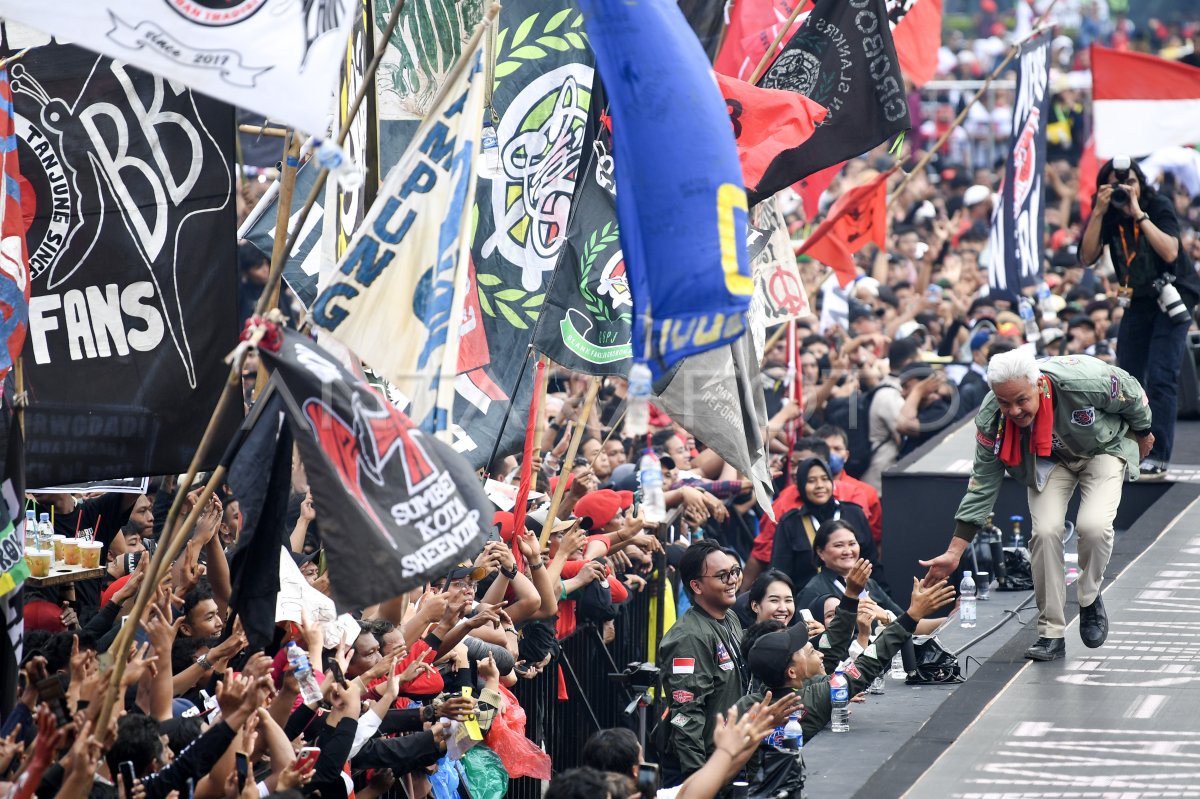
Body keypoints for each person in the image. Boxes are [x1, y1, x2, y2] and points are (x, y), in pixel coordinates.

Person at [920, 348, 1153, 662]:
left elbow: (1131, 392)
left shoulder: (1083, 380)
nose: (1014, 410)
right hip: (1046, 462)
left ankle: (1088, 597)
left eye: (1020, 399)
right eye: (1005, 402)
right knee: (1044, 532)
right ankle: (1051, 633)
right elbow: (983, 483)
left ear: (1039, 384)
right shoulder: (992, 418)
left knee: (1093, 526)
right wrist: (954, 551)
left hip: (1101, 448)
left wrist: (1144, 432)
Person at [737, 560, 955, 794]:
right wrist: (911, 616)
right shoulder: (808, 699)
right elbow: (868, 663)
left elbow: (831, 647)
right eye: (804, 649)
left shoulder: (745, 706)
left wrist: (850, 595)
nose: (814, 649)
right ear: (791, 672)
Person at [1080, 156, 1198, 478]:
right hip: (1137, 298)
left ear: (1140, 183)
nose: (1124, 190)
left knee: (1161, 376)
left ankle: (1157, 455)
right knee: (1126, 378)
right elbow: (1087, 256)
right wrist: (1100, 210)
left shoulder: (1156, 204)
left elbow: (1171, 252)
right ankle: (1129, 449)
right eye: (1116, 185)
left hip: (1172, 295)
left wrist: (1139, 213)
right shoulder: (1105, 212)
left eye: (1130, 182)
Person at [655, 540, 745, 786]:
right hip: (701, 765)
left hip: (725, 758)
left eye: (734, 571)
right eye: (722, 575)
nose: (732, 580)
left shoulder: (730, 617)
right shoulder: (689, 637)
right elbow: (686, 713)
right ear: (696, 585)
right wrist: (699, 779)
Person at [765, 459, 877, 590]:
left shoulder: (854, 513)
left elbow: (872, 562)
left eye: (825, 479)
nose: (820, 485)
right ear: (801, 485)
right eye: (811, 481)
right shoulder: (790, 522)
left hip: (859, 597)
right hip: (810, 602)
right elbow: (780, 571)